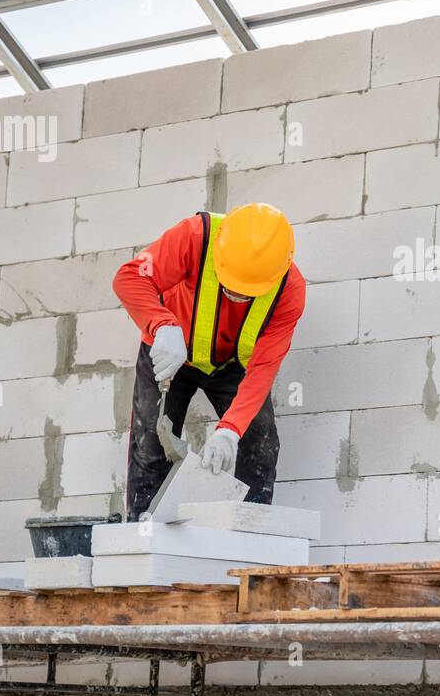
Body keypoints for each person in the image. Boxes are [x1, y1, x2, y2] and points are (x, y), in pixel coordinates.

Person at [112, 202, 305, 520]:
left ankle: (248, 532)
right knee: (150, 442)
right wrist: (161, 324)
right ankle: (142, 535)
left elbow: (263, 367)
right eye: (231, 283)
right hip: (169, 352)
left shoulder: (290, 290)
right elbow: (129, 277)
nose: (236, 294)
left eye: (247, 291)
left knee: (260, 440)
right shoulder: (194, 236)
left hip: (232, 367)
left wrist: (229, 430)